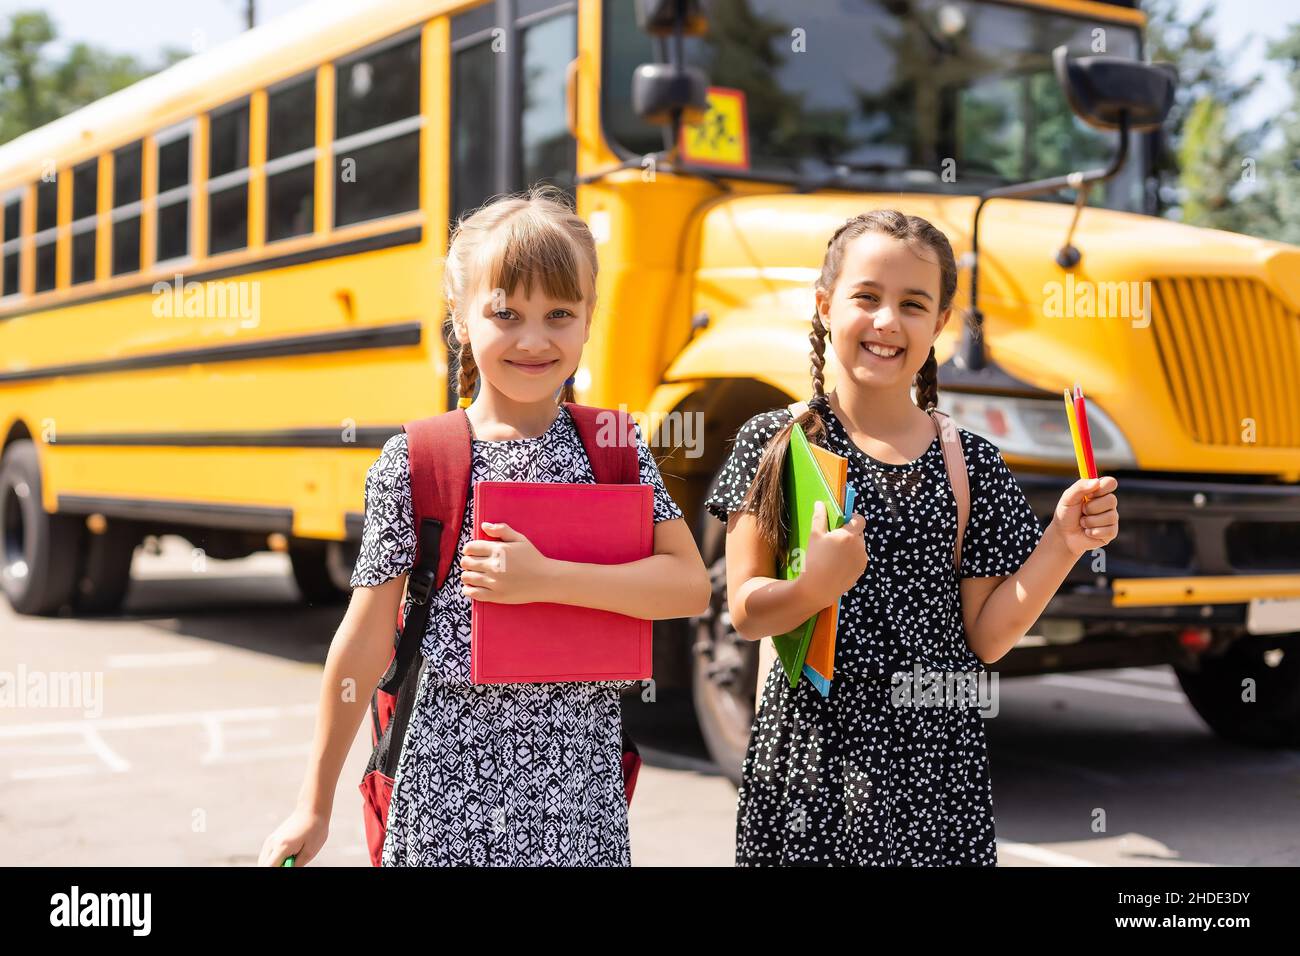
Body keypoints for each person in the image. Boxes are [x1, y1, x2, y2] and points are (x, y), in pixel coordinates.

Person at [259, 184, 709, 866]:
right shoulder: (417, 458)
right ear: (461, 318)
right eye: (506, 312)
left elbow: (687, 587)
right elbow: (363, 640)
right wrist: (311, 805)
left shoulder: (615, 444)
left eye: (560, 313)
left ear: (590, 319)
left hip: (578, 796)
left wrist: (547, 579)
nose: (534, 339)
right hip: (444, 793)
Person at [704, 209, 1119, 866]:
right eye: (866, 297)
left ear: (941, 326)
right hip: (808, 770)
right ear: (824, 305)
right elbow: (746, 612)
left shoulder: (971, 462)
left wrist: (1062, 543)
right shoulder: (777, 443)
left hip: (936, 776)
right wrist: (815, 587)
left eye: (913, 304)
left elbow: (987, 637)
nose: (887, 321)